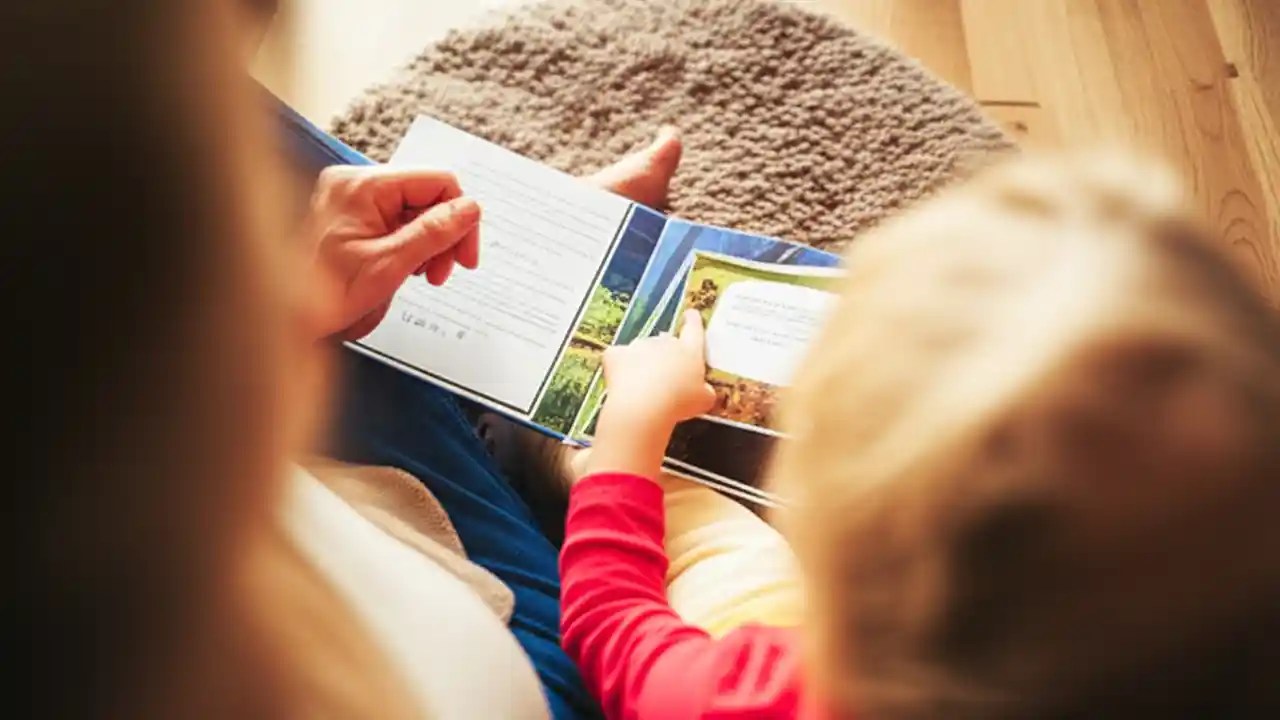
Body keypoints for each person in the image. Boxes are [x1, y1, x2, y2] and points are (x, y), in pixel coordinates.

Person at [13, 1, 681, 717]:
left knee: (130, 76)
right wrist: (627, 455)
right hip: (541, 670)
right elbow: (617, 635)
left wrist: (294, 299)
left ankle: (528, 282)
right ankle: (520, 337)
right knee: (150, 88)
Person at [558, 154, 1280, 719]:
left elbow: (609, 624)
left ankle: (586, 261)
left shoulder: (766, 699)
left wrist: (631, 430)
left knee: (562, 447)